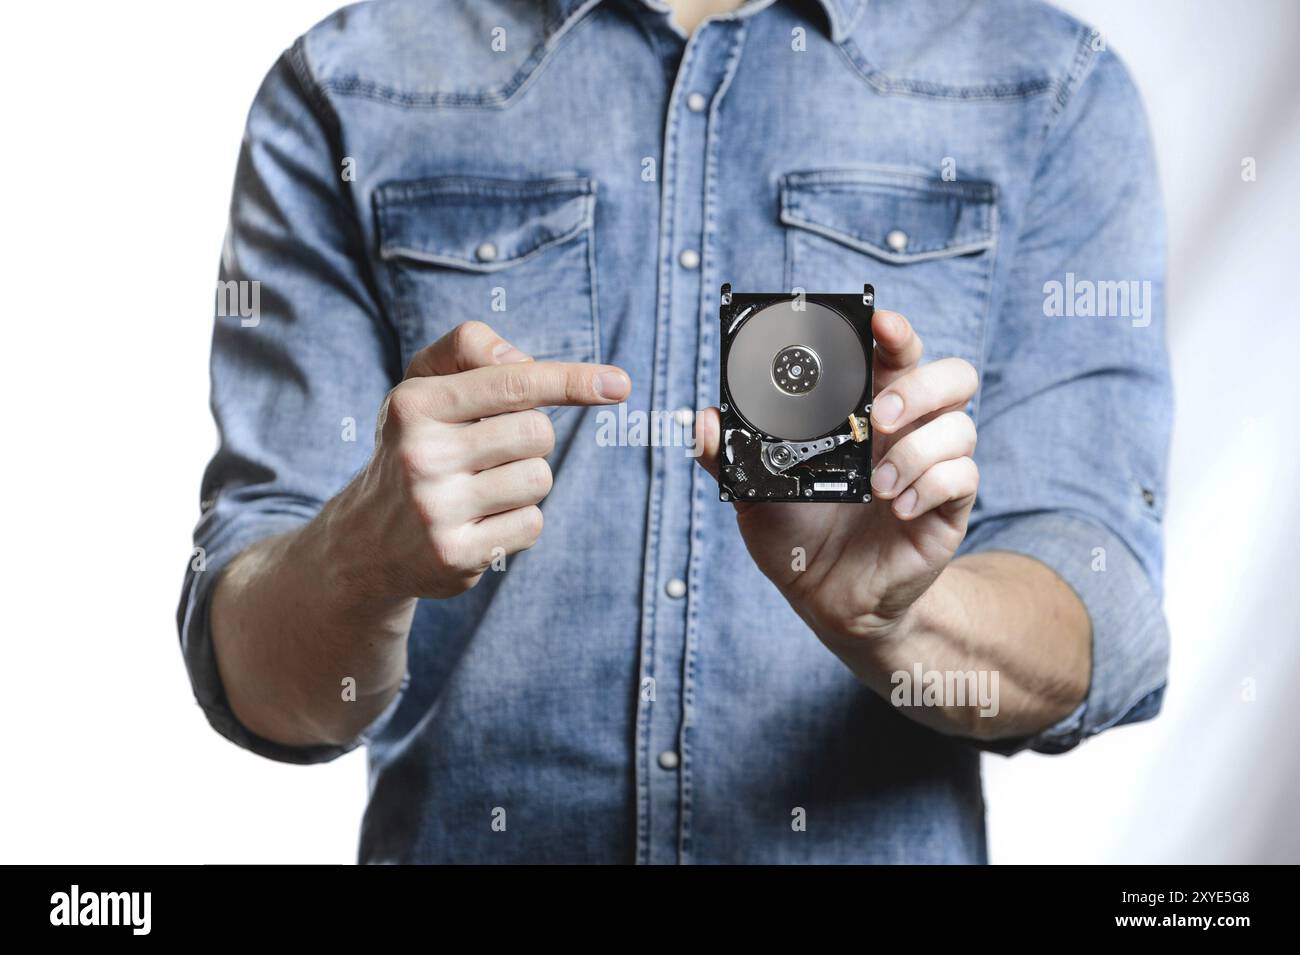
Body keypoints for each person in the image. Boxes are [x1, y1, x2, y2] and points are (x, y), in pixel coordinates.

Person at [179, 0, 1172, 863]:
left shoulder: (1048, 86)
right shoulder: (346, 88)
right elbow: (261, 682)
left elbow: (1099, 607)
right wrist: (360, 555)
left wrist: (898, 619)